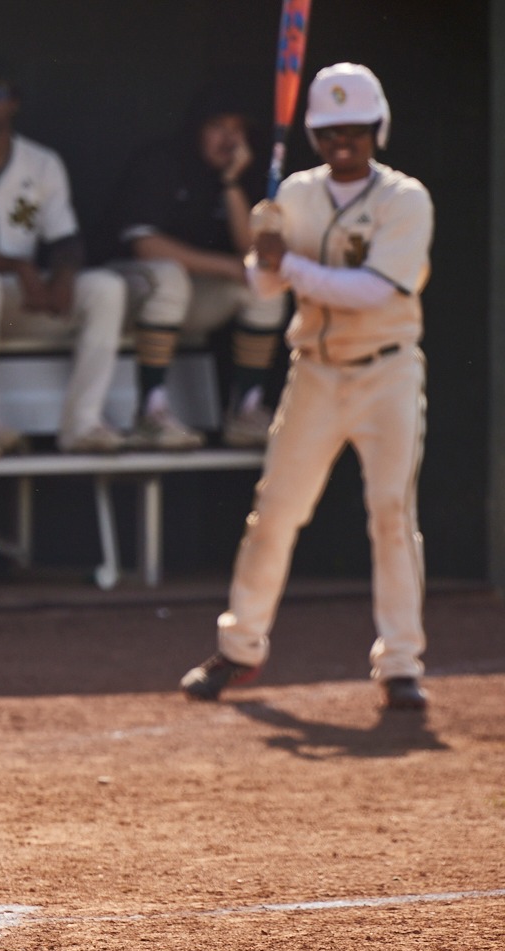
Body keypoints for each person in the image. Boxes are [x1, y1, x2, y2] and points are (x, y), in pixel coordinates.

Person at [181, 64, 433, 712]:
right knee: (275, 513)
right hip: (315, 372)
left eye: (354, 130)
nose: (341, 142)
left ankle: (401, 663)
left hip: (388, 369)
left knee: (390, 514)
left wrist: (285, 262)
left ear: (378, 129)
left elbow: (373, 290)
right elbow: (264, 289)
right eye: (328, 131)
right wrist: (260, 252)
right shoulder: (295, 191)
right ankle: (240, 648)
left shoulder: (406, 199)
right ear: (315, 136)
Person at [0, 56, 127, 453]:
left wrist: (63, 279)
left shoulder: (42, 162)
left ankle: (83, 424)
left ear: (14, 101)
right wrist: (21, 267)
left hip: (23, 300)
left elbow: (66, 239)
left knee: (106, 288)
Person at [108, 90, 286, 449]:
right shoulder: (161, 161)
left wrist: (232, 185)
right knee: (169, 277)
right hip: (122, 291)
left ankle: (246, 410)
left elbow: (249, 252)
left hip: (184, 300)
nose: (229, 139)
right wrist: (226, 266)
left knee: (263, 287)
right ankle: (151, 412)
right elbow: (146, 245)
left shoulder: (237, 174)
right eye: (218, 126)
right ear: (196, 129)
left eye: (238, 129)